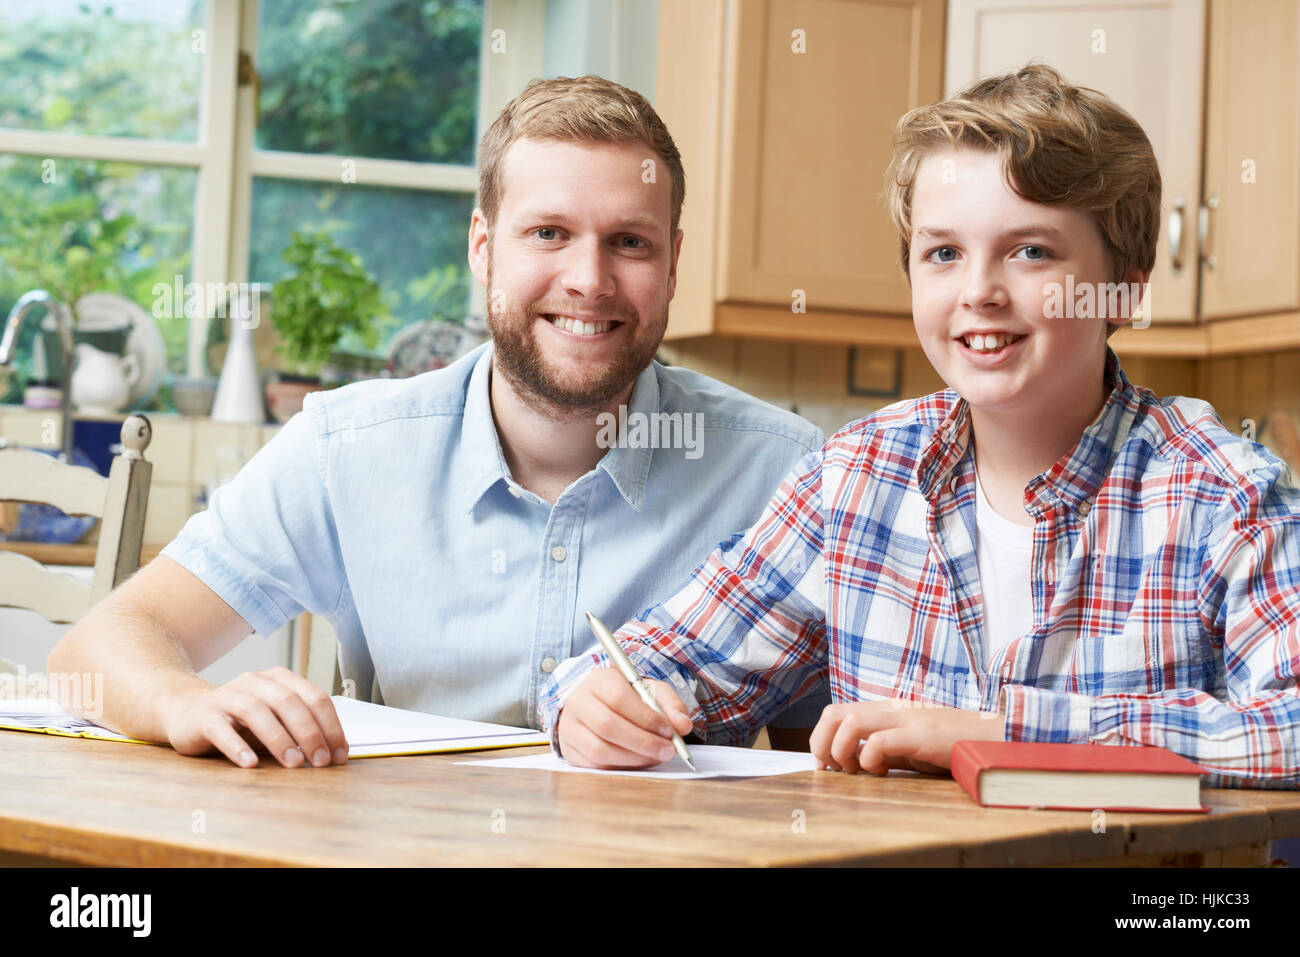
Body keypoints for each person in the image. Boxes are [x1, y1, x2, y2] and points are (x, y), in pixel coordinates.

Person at [541, 63, 1300, 789]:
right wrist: (594, 702)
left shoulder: (1222, 492)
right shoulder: (857, 476)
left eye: (1030, 251)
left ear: (1126, 291)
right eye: (943, 253)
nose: (979, 292)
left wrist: (1004, 733)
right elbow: (653, 662)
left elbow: (1290, 726)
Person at [47, 75, 828, 769]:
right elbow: (104, 639)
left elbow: (833, 778)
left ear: (672, 263)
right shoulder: (345, 449)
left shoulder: (787, 473)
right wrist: (184, 701)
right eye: (548, 233)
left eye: (629, 242)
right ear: (483, 248)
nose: (589, 280)